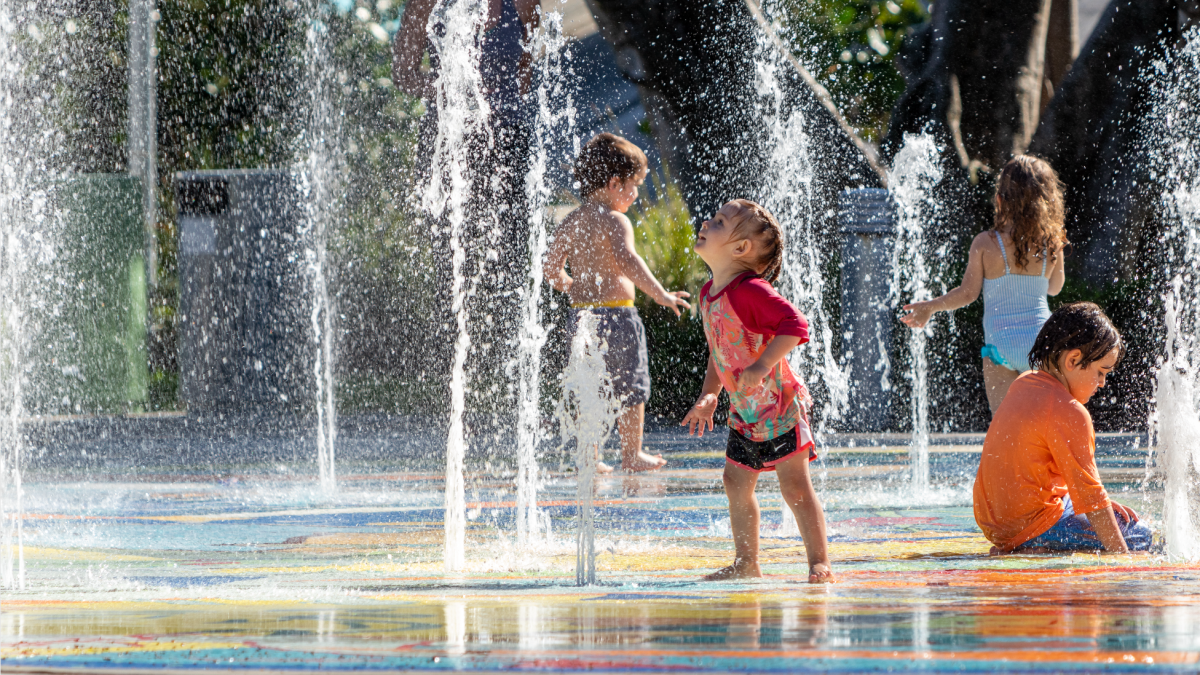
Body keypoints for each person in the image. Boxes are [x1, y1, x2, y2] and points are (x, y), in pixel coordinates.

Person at [682, 199, 834, 583]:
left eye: (718, 221)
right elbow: (719, 349)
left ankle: (819, 562)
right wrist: (710, 394)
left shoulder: (749, 290)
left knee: (795, 486)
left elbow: (796, 325)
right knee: (734, 482)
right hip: (744, 412)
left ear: (740, 249)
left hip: (780, 406)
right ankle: (747, 561)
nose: (706, 221)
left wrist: (763, 364)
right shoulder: (709, 294)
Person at [545, 133, 692, 473]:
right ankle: (632, 454)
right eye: (635, 185)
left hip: (581, 318)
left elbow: (551, 269)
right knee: (632, 385)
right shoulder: (615, 219)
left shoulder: (571, 220)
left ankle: (590, 456)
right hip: (618, 314)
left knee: (588, 385)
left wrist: (570, 285)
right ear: (614, 183)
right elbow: (628, 260)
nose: (637, 194)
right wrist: (661, 295)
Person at [973, 302, 1153, 554]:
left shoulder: (1024, 382)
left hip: (996, 523)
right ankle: (1036, 547)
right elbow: (1092, 500)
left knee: (1114, 514)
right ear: (1073, 359)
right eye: (1101, 372)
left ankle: (1026, 543)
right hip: (1033, 526)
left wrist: (1103, 508)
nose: (1102, 383)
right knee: (1139, 534)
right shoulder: (1070, 412)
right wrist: (1122, 559)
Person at [901, 155, 1068, 412]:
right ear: (1047, 202)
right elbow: (1055, 288)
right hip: (1041, 343)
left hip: (1000, 345)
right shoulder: (1051, 243)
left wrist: (931, 306)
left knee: (1006, 433)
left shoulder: (986, 243)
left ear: (1000, 200)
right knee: (1044, 427)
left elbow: (968, 294)